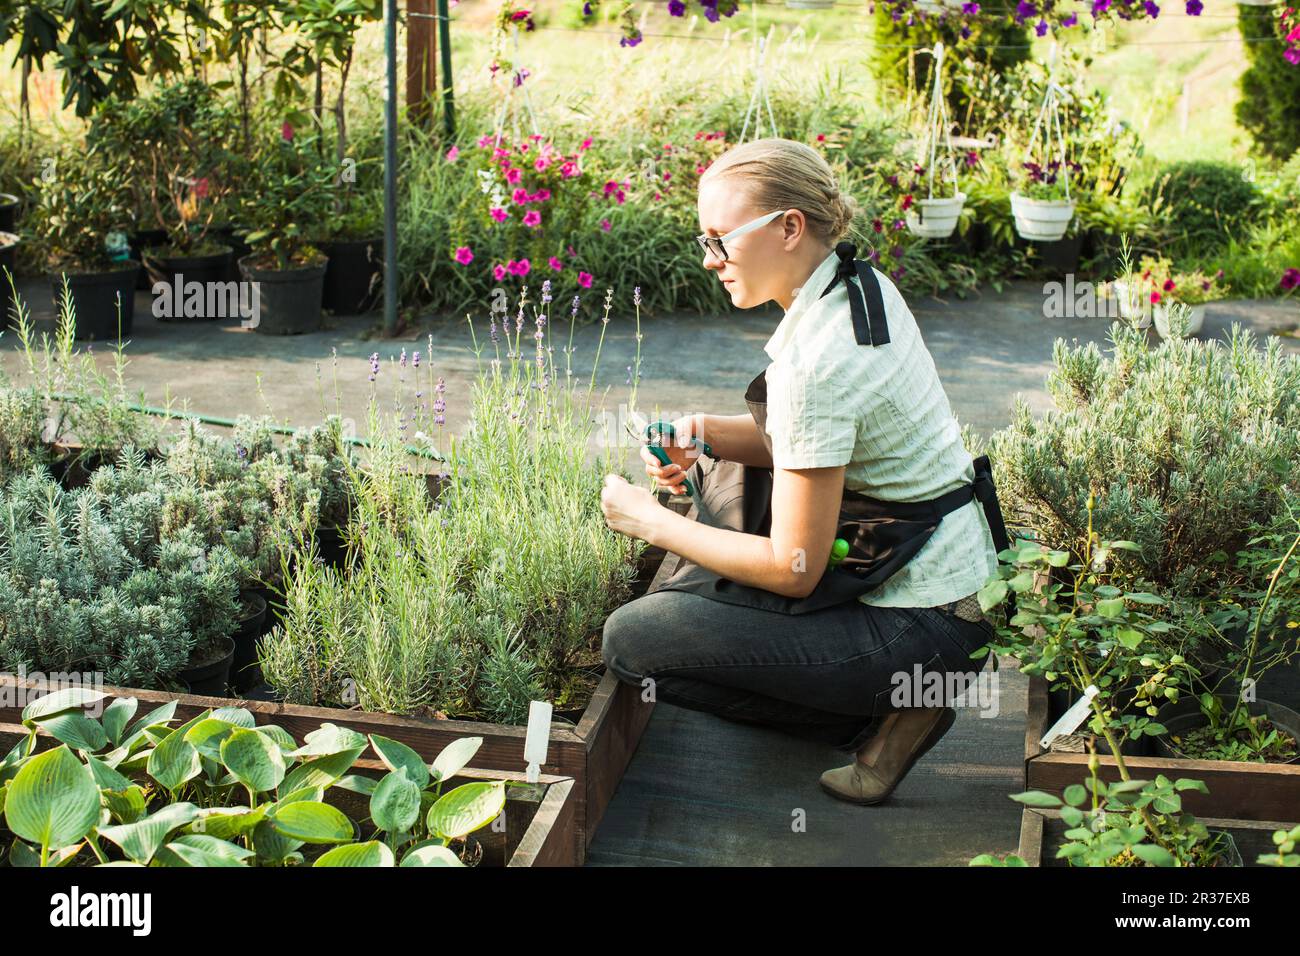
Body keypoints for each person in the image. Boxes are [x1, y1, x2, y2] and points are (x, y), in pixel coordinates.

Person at [597, 137, 1008, 805]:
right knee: (722, 475)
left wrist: (650, 524)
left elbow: (795, 568)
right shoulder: (859, 285)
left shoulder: (817, 363)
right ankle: (855, 683)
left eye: (720, 240)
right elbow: (811, 442)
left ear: (789, 227)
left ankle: (873, 719)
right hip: (951, 582)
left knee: (636, 639)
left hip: (921, 626)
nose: (710, 260)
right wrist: (701, 436)